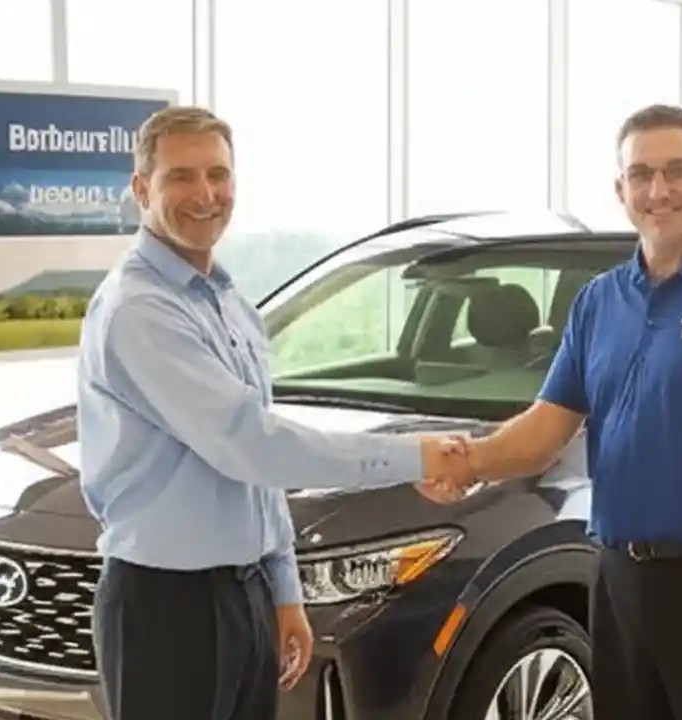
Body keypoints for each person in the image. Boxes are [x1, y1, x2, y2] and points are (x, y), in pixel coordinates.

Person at [75, 105, 469, 720]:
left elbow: (257, 477)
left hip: (245, 593)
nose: (205, 194)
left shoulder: (229, 303)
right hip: (166, 607)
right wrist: (416, 455)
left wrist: (283, 589)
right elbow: (254, 445)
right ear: (141, 189)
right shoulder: (139, 310)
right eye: (181, 177)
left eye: (218, 174)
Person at [441, 104, 682, 718]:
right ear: (620, 189)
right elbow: (545, 429)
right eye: (640, 174)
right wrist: (466, 461)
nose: (658, 190)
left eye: (678, 170)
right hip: (618, 584)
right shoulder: (599, 302)